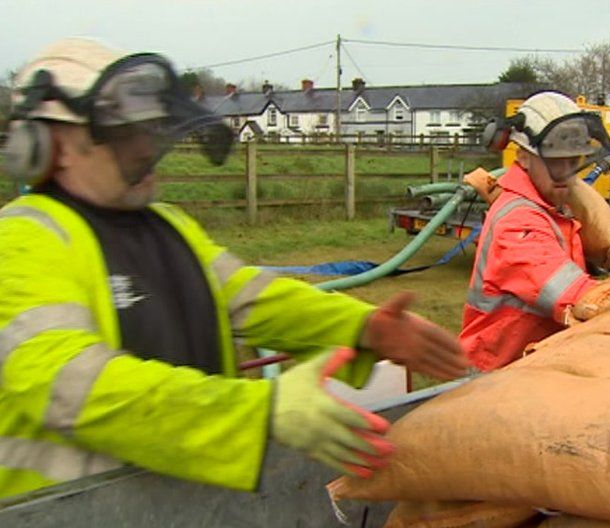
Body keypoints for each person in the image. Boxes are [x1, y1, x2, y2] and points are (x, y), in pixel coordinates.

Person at [0, 37, 470, 499]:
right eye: (121, 136)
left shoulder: (168, 225)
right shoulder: (22, 240)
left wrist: (364, 328)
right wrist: (260, 411)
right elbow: (73, 384)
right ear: (50, 145)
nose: (145, 148)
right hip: (63, 522)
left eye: (145, 130)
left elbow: (250, 296)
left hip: (177, 507)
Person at [460, 91, 610, 371]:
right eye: (554, 161)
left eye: (573, 160)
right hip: (494, 377)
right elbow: (577, 297)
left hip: (534, 367)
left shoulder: (552, 206)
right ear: (524, 158)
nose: (566, 173)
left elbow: (570, 243)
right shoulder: (517, 225)